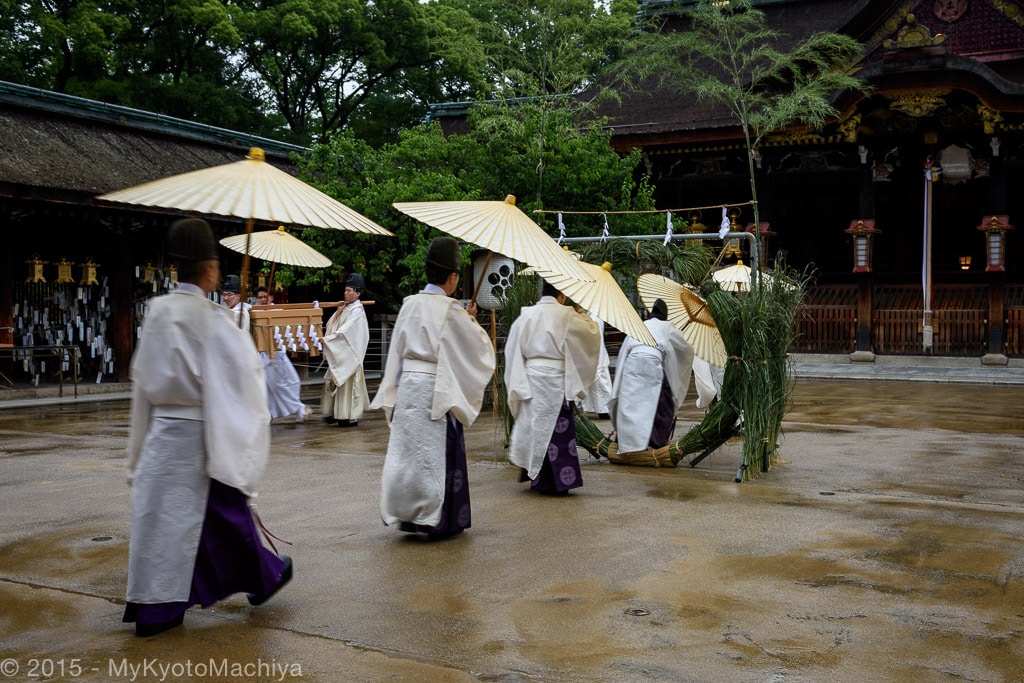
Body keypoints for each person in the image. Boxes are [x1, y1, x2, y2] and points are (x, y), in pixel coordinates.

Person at [123, 218, 291, 638]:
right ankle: (261, 577)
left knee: (162, 521)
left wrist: (138, 447)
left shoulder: (156, 312)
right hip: (201, 438)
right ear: (212, 271)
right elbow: (243, 387)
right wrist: (242, 345)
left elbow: (141, 381)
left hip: (161, 434)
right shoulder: (214, 321)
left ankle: (155, 606)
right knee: (221, 514)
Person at [370, 237, 495, 537]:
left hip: (409, 386)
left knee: (408, 453)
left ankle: (409, 516)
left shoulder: (409, 304)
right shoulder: (451, 310)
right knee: (435, 452)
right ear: (452, 277)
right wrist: (472, 321)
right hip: (436, 387)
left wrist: (395, 390)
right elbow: (478, 351)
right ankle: (439, 519)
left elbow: (397, 351)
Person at [504, 280, 600, 495]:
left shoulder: (526, 315)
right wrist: (582, 314)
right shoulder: (568, 315)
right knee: (557, 432)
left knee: (534, 429)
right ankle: (559, 483)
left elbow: (512, 353)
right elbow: (590, 334)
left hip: (531, 379)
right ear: (561, 294)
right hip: (557, 380)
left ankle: (538, 479)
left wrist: (518, 383)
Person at [609, 298, 695, 453]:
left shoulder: (639, 325)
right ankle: (656, 441)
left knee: (629, 403)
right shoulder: (668, 327)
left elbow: (624, 349)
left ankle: (627, 441)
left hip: (632, 363)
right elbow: (686, 349)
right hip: (652, 364)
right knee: (661, 404)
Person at [320, 273, 370, 428]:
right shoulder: (346, 308)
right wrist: (339, 312)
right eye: (345, 290)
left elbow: (346, 332)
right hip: (341, 354)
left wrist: (330, 339)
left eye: (349, 290)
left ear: (357, 293)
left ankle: (349, 416)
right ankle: (336, 413)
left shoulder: (357, 311)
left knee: (348, 385)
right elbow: (332, 325)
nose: (345, 293)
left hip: (350, 355)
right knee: (333, 381)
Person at [255, 287, 311, 423]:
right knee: (264, 386)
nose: (262, 300)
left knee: (279, 385)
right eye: (260, 297)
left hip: (276, 355)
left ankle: (299, 408)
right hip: (262, 355)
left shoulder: (278, 311)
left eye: (265, 297)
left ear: (271, 297)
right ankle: (267, 414)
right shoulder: (255, 312)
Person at [575, 307, 612, 419]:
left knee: (599, 383)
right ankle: (600, 409)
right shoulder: (590, 315)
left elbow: (597, 339)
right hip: (590, 354)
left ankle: (604, 410)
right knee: (593, 384)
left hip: (596, 355)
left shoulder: (595, 318)